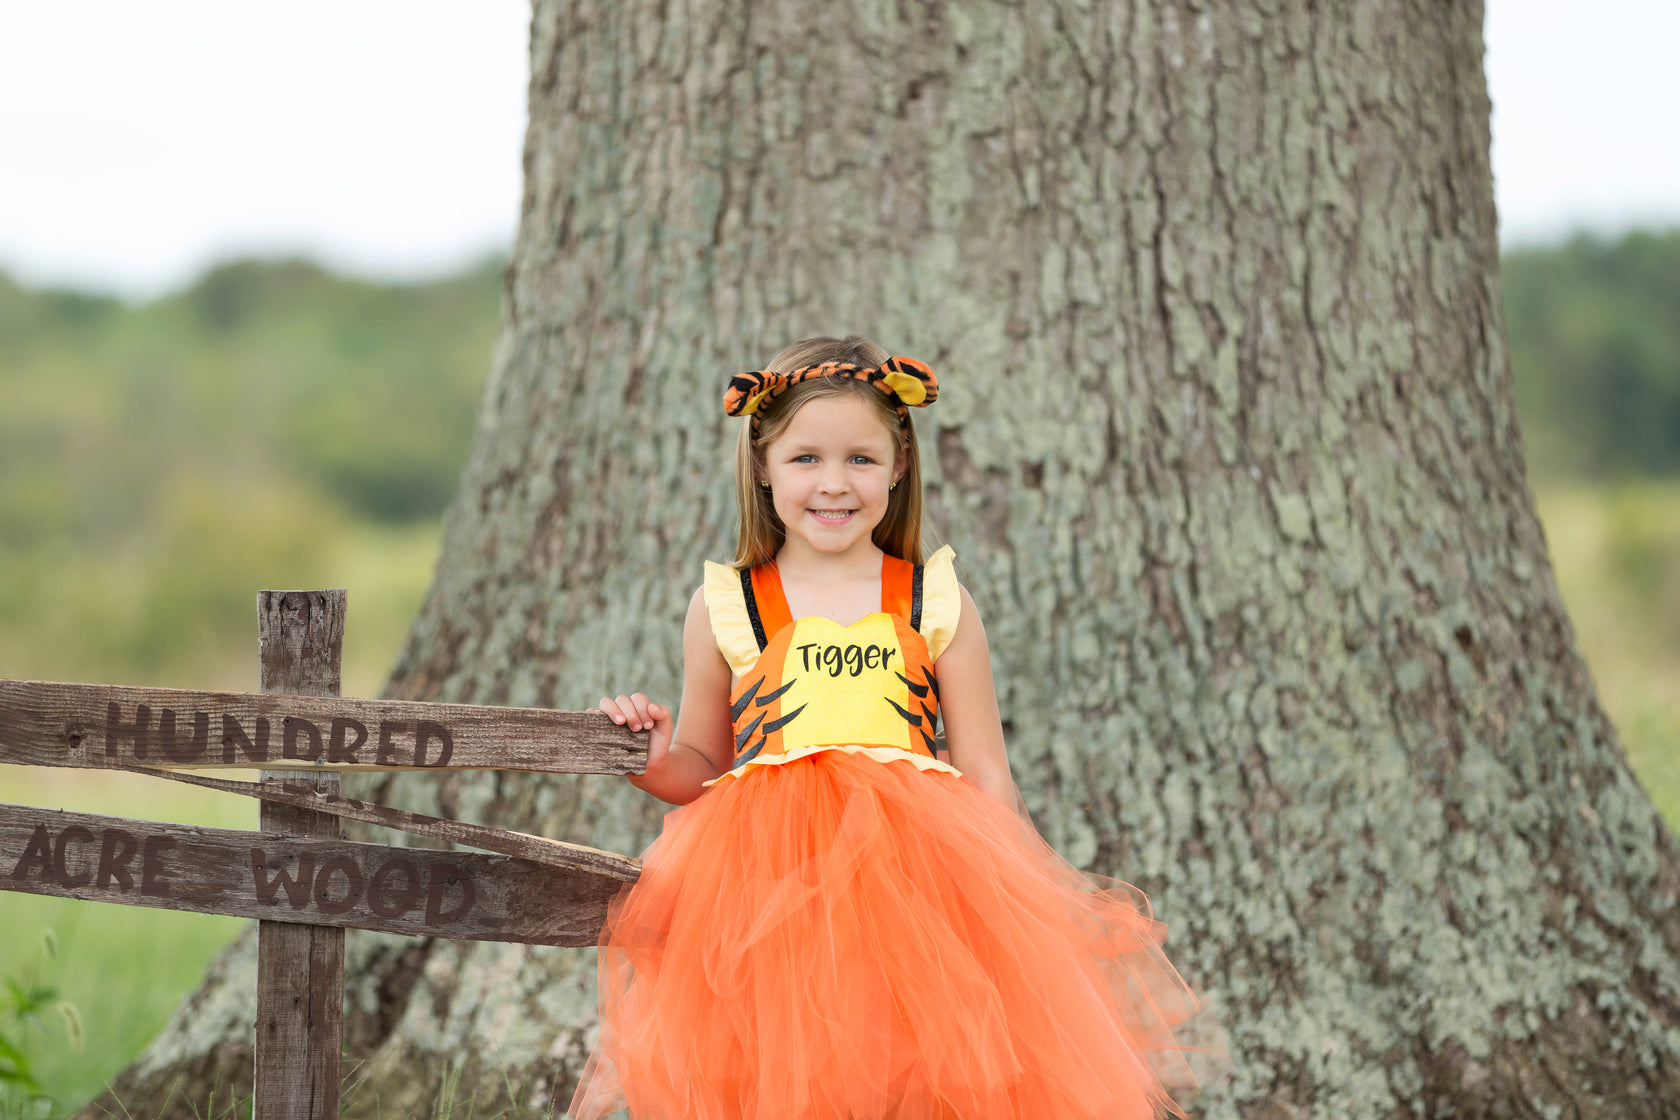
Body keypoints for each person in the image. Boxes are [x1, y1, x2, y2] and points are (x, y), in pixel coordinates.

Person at [568, 336, 1203, 1119]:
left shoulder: (933, 598)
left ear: (899, 464)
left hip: (920, 884)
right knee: (785, 1066)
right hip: (764, 890)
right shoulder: (728, 603)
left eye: (860, 460)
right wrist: (651, 759)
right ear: (762, 465)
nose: (833, 484)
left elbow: (986, 771)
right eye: (806, 459)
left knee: (911, 1070)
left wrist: (1006, 907)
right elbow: (704, 765)